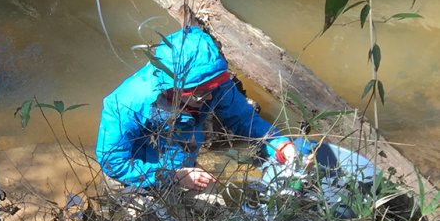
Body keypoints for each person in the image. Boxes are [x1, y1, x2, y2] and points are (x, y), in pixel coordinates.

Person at [96, 24, 299, 193]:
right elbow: (113, 162)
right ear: (173, 89)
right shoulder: (126, 103)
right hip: (135, 174)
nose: (210, 96)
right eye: (200, 94)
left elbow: (244, 120)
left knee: (213, 218)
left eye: (212, 89)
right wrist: (172, 176)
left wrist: (279, 145)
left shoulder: (211, 82)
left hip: (181, 165)